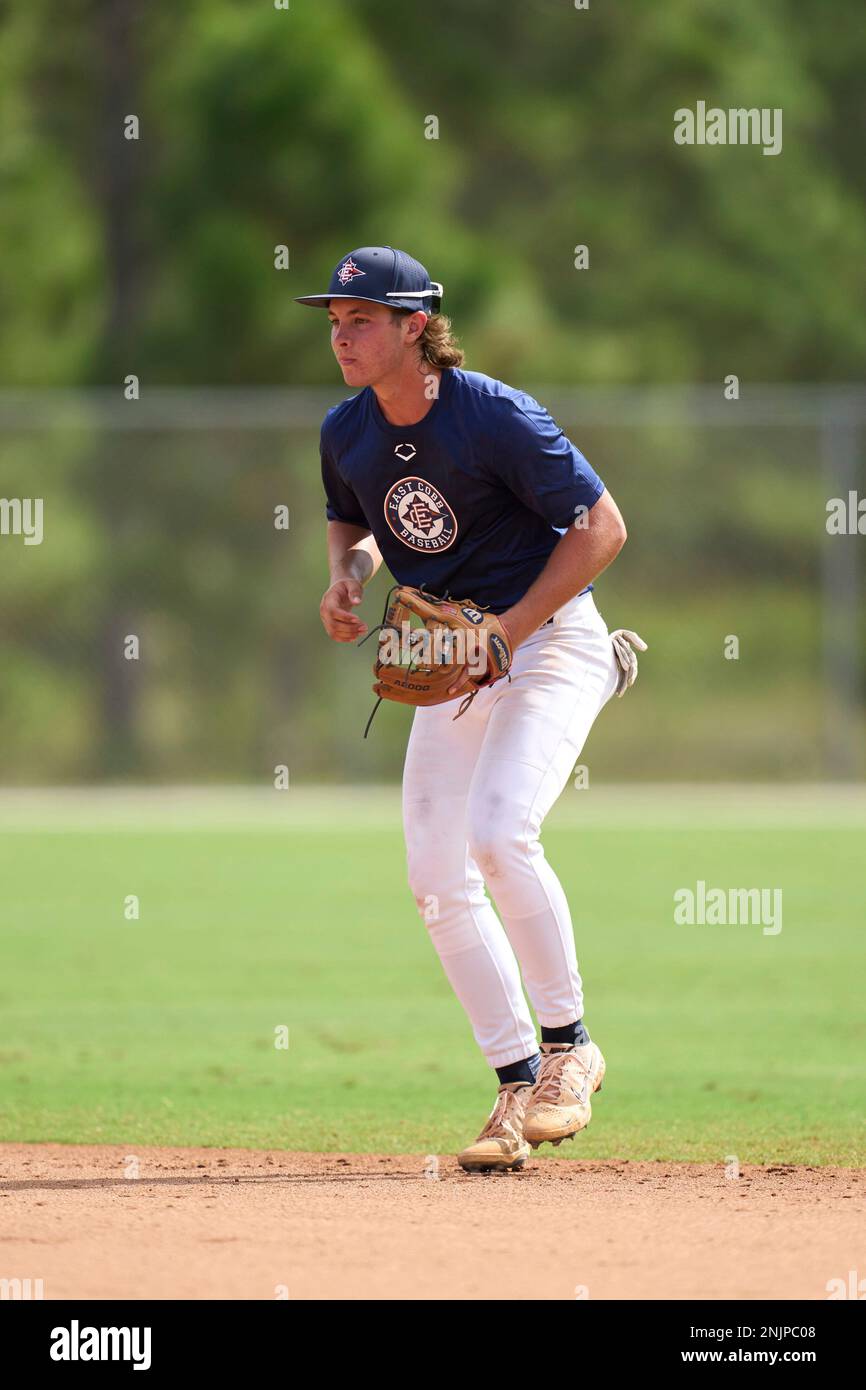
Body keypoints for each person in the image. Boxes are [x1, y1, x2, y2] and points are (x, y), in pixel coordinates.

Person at [297, 246, 643, 1173]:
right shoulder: (347, 430)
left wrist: (511, 630)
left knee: (498, 833)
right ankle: (515, 1083)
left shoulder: (494, 416)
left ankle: (572, 1050)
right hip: (452, 657)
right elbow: (354, 512)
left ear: (417, 327)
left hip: (549, 638)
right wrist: (346, 575)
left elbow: (602, 527)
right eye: (334, 321)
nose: (342, 336)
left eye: (361, 319)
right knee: (434, 878)